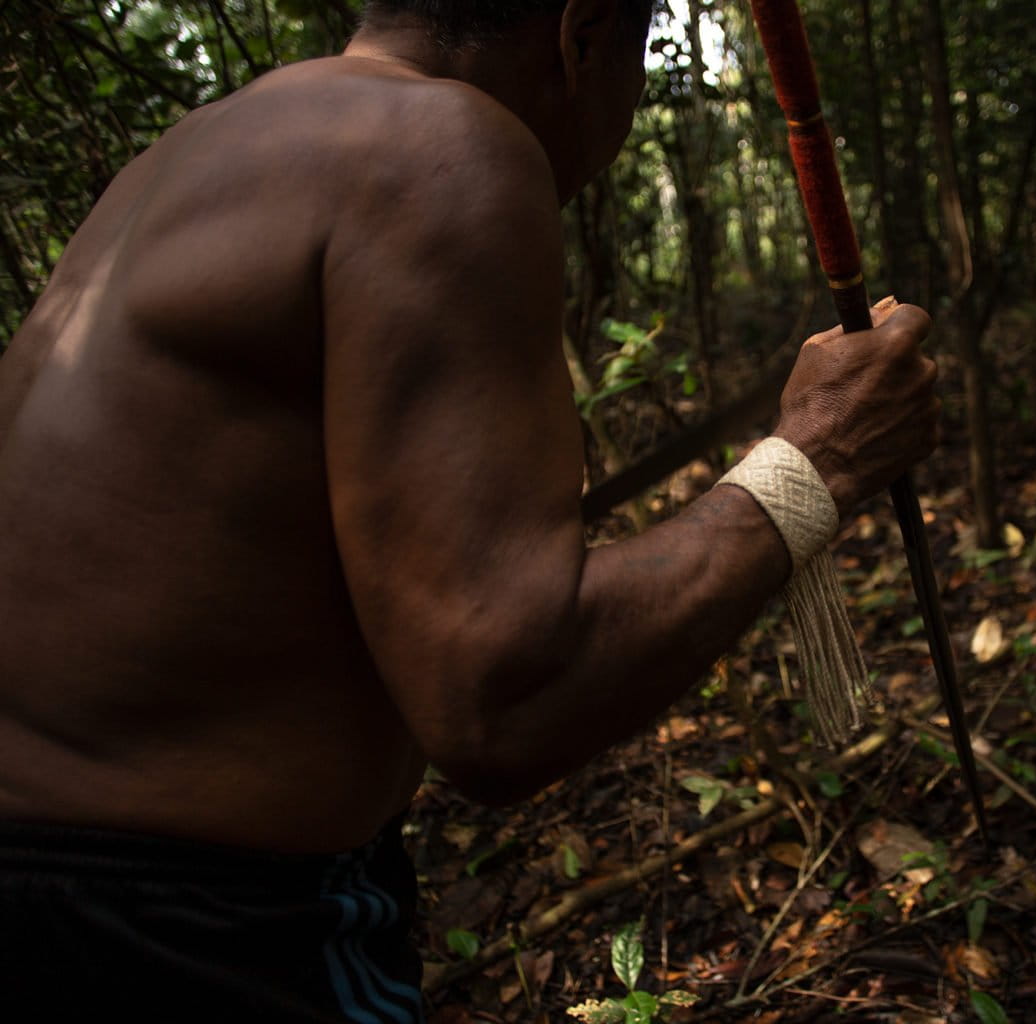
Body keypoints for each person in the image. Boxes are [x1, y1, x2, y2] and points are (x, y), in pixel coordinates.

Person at [0, 0, 938, 1019]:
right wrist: (818, 463)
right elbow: (507, 698)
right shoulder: (441, 144)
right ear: (580, 35)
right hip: (170, 932)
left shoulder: (194, 150)